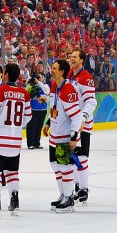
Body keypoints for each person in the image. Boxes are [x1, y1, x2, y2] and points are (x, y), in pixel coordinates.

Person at [0, 63, 32, 218]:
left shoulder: (0, 90)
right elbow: (28, 116)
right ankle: (14, 202)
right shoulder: (24, 93)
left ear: (6, 75)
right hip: (15, 140)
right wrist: (15, 126)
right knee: (12, 172)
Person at [43, 60, 83, 214]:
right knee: (55, 166)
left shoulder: (68, 90)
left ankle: (69, 198)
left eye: (54, 68)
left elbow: (76, 117)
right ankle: (63, 195)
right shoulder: (54, 86)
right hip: (55, 134)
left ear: (62, 72)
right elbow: (54, 108)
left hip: (65, 137)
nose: (51, 70)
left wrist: (73, 138)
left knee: (65, 167)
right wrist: (48, 122)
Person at [67, 48, 97, 205]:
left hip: (83, 124)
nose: (71, 59)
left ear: (81, 61)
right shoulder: (68, 75)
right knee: (72, 157)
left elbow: (91, 101)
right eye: (70, 56)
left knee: (82, 156)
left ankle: (83, 188)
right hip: (71, 123)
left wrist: (84, 117)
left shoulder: (86, 77)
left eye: (74, 57)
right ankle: (77, 185)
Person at [26, 74, 49, 149]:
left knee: (39, 127)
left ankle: (36, 143)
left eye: (40, 78)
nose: (38, 79)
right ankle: (30, 143)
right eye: (37, 78)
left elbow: (47, 91)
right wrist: (29, 83)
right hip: (33, 110)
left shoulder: (45, 86)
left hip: (42, 110)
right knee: (31, 127)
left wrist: (38, 82)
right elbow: (27, 94)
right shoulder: (30, 87)